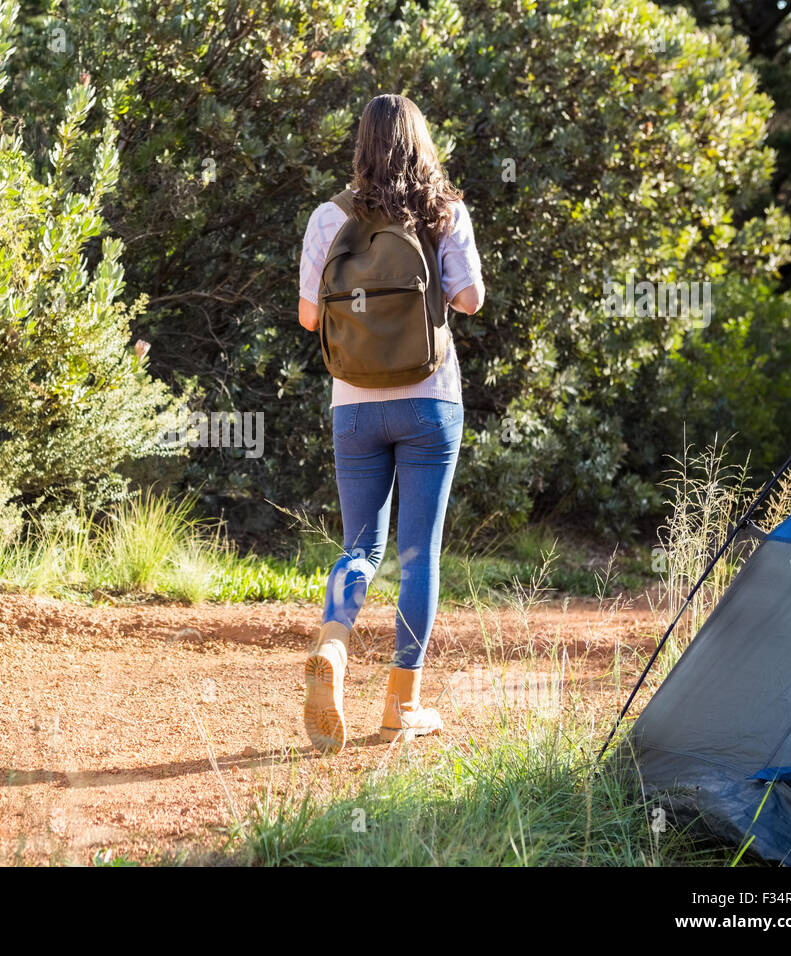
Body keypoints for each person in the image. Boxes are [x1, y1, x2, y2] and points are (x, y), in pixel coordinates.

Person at [297, 93, 484, 753]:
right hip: (431, 398)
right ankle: (400, 705)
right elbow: (469, 300)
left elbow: (310, 319)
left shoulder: (329, 216)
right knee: (417, 553)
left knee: (362, 546)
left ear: (361, 147)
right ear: (420, 145)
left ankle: (334, 648)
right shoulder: (442, 212)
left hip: (354, 402)